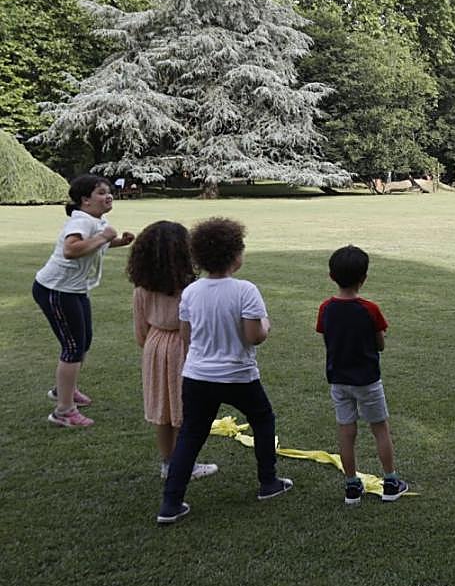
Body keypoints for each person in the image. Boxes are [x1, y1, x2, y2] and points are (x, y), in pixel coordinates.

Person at [157, 218, 291, 525]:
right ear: (235, 255)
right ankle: (268, 482)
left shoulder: (191, 292)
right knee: (263, 420)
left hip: (197, 376)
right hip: (238, 375)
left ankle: (170, 503)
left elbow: (186, 336)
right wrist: (266, 324)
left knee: (191, 434)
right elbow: (255, 336)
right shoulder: (245, 290)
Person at [32, 174, 135, 428]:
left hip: (74, 290)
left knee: (83, 341)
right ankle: (64, 411)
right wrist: (104, 237)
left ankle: (64, 389)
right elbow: (71, 249)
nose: (108, 196)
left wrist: (118, 241)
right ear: (84, 200)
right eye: (101, 192)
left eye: (108, 191)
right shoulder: (81, 221)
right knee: (73, 347)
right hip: (56, 290)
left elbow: (92, 245)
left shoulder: (96, 220)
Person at [316, 245, 408, 505]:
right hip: (367, 380)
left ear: (331, 276)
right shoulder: (370, 309)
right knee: (380, 429)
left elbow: (327, 338)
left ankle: (351, 487)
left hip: (339, 380)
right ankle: (391, 482)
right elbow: (380, 344)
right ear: (364, 278)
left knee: (346, 431)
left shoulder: (326, 308)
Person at [127, 221, 218, 481]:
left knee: (162, 409)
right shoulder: (190, 288)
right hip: (182, 347)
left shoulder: (141, 287)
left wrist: (152, 346)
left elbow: (140, 331)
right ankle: (184, 465)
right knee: (183, 409)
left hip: (154, 347)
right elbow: (197, 325)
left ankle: (169, 462)